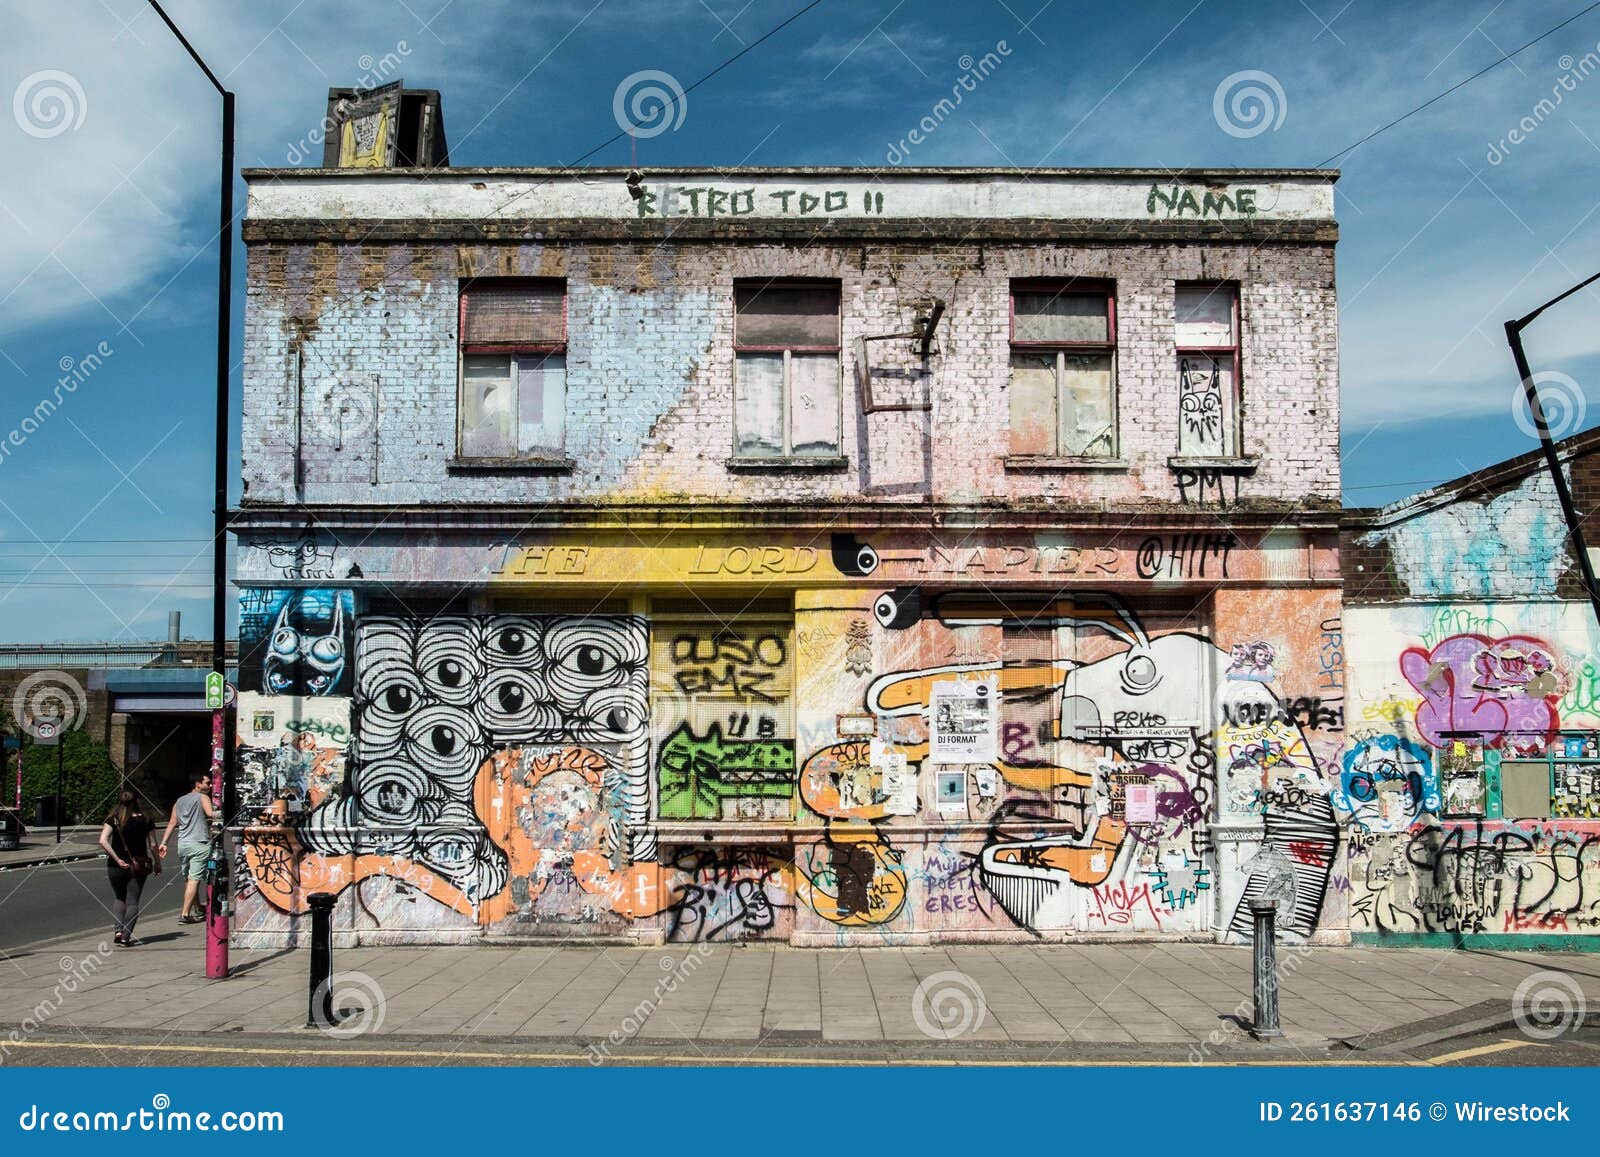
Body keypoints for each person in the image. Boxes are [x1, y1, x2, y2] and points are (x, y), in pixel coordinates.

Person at [99, 792, 159, 946]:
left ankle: (118, 930)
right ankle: (126, 936)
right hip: (137, 865)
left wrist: (117, 859)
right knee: (132, 901)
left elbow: (103, 841)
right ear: (136, 801)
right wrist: (158, 863)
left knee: (119, 897)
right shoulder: (146, 819)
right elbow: (153, 845)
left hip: (115, 866)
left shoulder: (113, 818)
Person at [159, 770, 215, 925]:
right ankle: (185, 914)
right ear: (198, 784)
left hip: (183, 844)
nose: (210, 785)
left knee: (190, 879)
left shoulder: (179, 800)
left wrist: (164, 843)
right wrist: (223, 813)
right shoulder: (203, 797)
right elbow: (211, 814)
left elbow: (172, 823)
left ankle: (198, 910)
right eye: (207, 783)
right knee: (194, 879)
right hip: (199, 843)